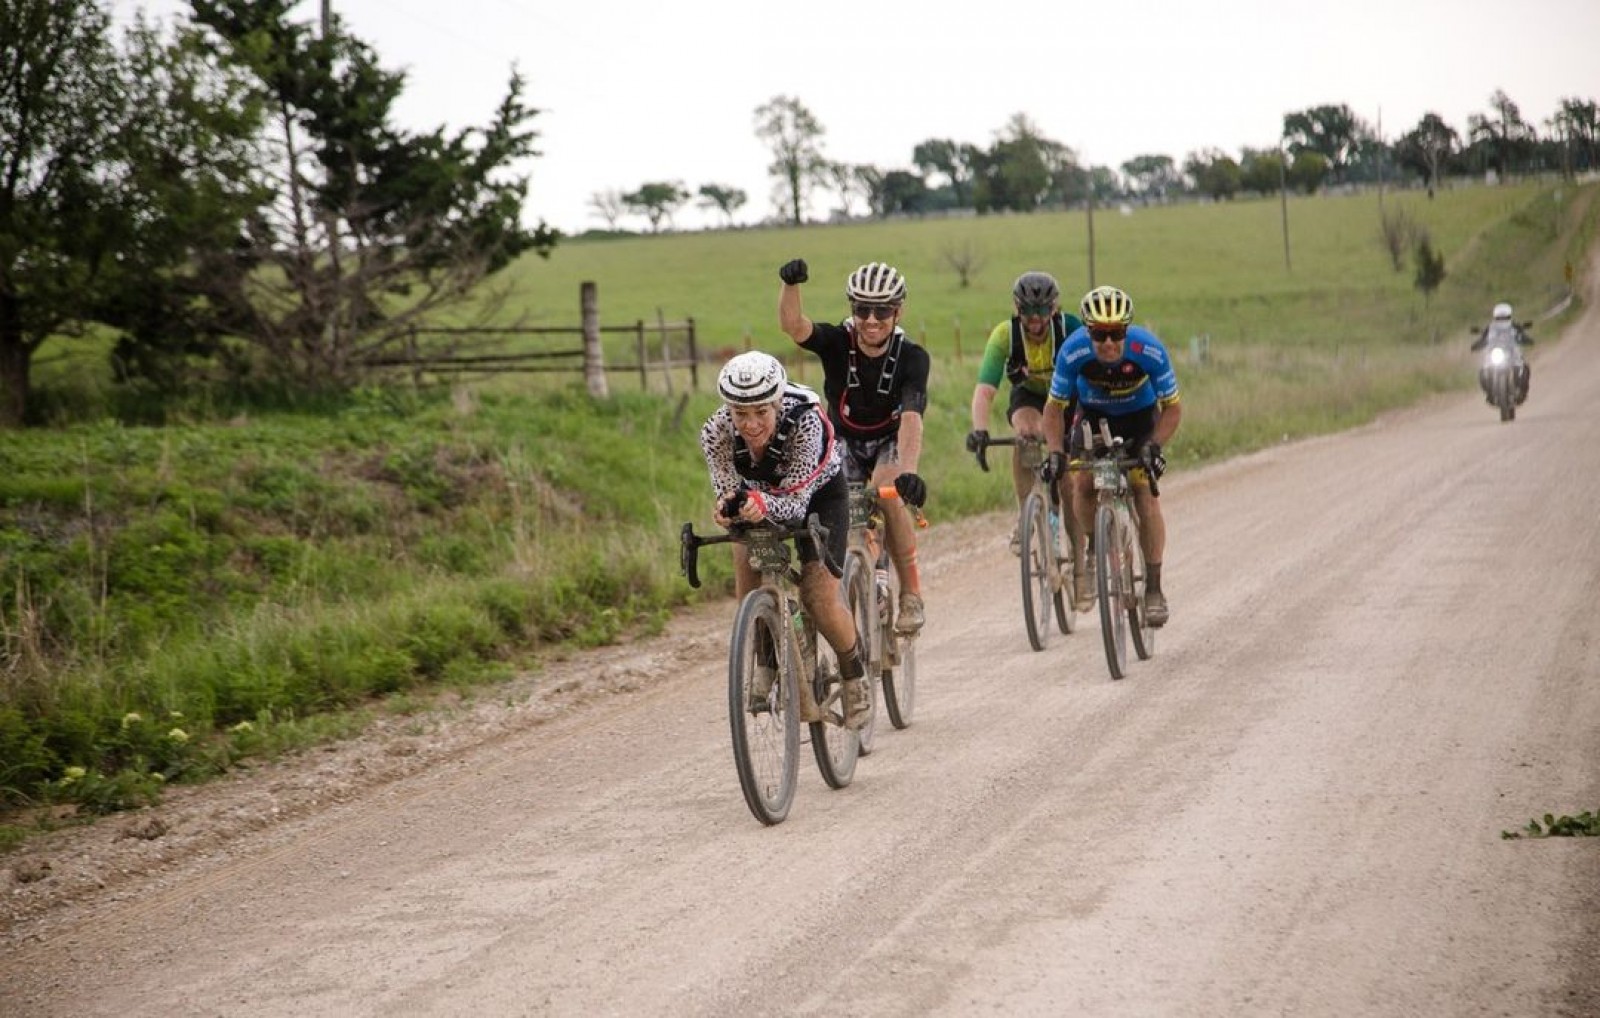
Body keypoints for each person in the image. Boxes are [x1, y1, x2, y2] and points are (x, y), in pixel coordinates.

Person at [700, 350, 870, 729]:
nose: (751, 424)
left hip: (819, 495)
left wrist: (761, 503)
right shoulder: (715, 432)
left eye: (761, 412)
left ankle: (854, 672)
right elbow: (728, 489)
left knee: (818, 597)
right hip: (759, 496)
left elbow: (795, 506)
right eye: (741, 414)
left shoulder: (807, 423)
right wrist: (728, 507)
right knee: (747, 575)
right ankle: (765, 657)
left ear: (777, 403)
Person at [777, 257, 931, 636]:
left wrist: (909, 470)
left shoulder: (912, 357)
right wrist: (790, 285)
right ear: (853, 310)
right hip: (841, 440)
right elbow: (795, 327)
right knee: (838, 510)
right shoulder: (837, 342)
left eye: (882, 310)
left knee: (888, 491)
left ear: (898, 311)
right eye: (863, 309)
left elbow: (912, 416)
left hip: (888, 442)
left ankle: (911, 593)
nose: (872, 319)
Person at [1040, 285, 1182, 626]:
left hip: (1141, 418)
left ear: (1126, 330)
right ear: (1088, 331)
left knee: (1144, 494)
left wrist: (1154, 447)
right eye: (1100, 334)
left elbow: (1172, 409)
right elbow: (1053, 409)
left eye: (1116, 333)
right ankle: (1095, 543)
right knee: (1082, 484)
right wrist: (1057, 452)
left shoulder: (1148, 349)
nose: (1107, 343)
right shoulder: (1073, 352)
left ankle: (1153, 587)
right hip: (1094, 416)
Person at [965, 271, 1084, 556]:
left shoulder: (1071, 330)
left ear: (1054, 308)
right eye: (1027, 310)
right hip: (1030, 395)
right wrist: (979, 429)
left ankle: (1081, 559)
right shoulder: (1005, 335)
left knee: (1068, 481)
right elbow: (985, 390)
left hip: (1069, 398)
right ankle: (1025, 513)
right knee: (1026, 435)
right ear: (1017, 308)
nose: (1035, 318)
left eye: (1042, 310)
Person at [1470, 301, 1533, 404]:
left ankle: (1522, 391)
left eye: (1504, 317)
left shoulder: (1515, 326)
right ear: (1495, 317)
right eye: (1499, 318)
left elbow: (1522, 335)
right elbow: (1483, 339)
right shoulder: (1490, 328)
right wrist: (1476, 345)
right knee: (1482, 372)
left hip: (1512, 356)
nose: (1502, 320)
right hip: (1495, 354)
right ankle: (1489, 393)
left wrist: (1526, 339)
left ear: (1509, 316)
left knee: (1525, 368)